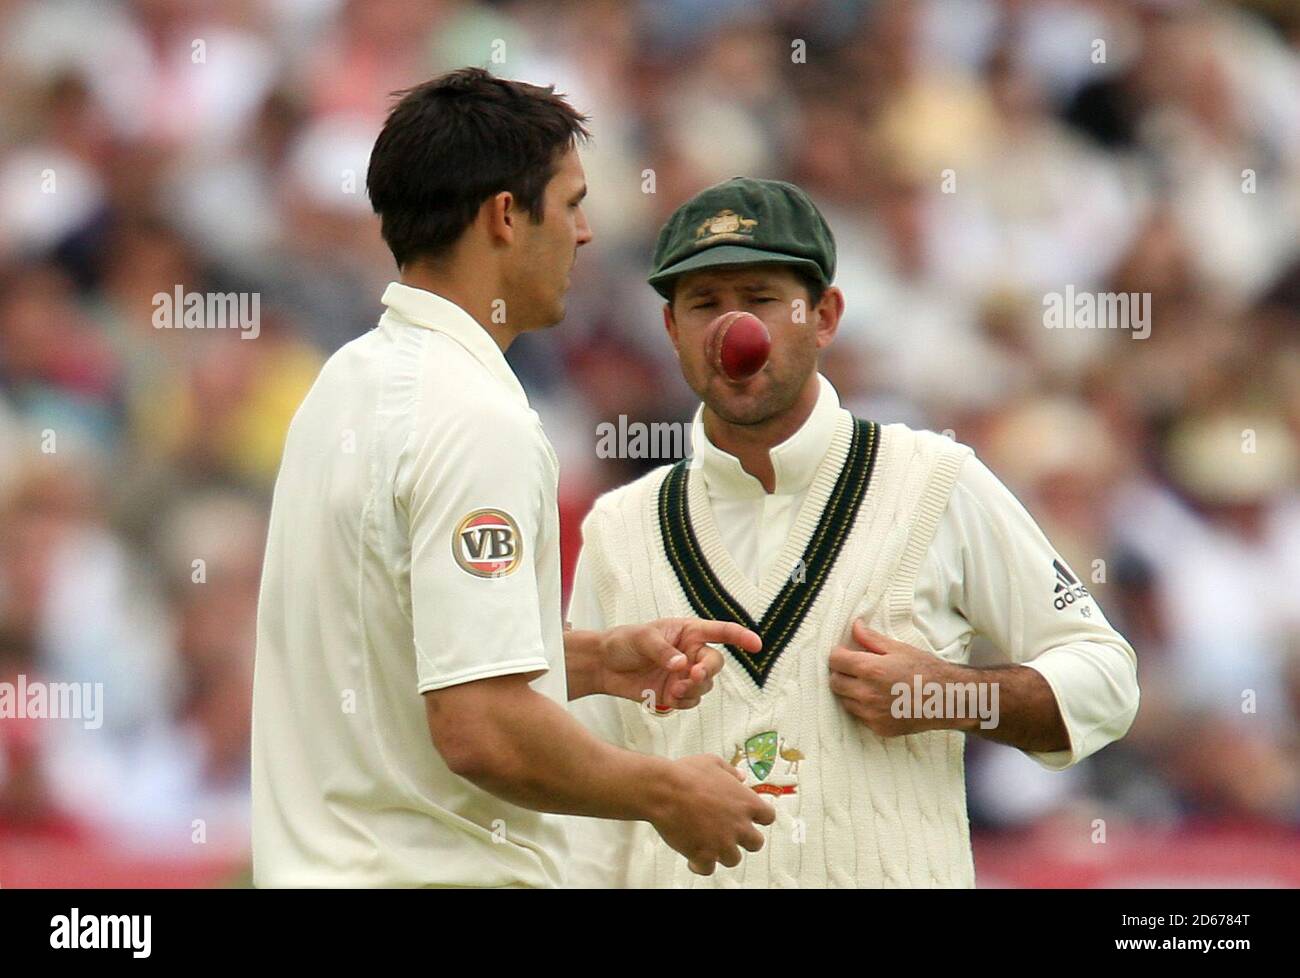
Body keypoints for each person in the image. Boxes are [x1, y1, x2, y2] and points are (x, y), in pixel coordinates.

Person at [251, 69, 774, 888]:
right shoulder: (476, 418)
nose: (587, 232)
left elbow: (399, 652)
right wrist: (667, 789)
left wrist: (598, 661)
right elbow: (478, 727)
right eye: (570, 203)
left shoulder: (343, 384)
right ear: (504, 215)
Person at [566, 177, 1140, 887]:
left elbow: (1106, 679)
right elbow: (583, 802)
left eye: (762, 299)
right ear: (671, 330)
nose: (733, 330)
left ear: (826, 315)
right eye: (705, 304)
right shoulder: (620, 529)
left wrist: (947, 695)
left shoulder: (935, 479)